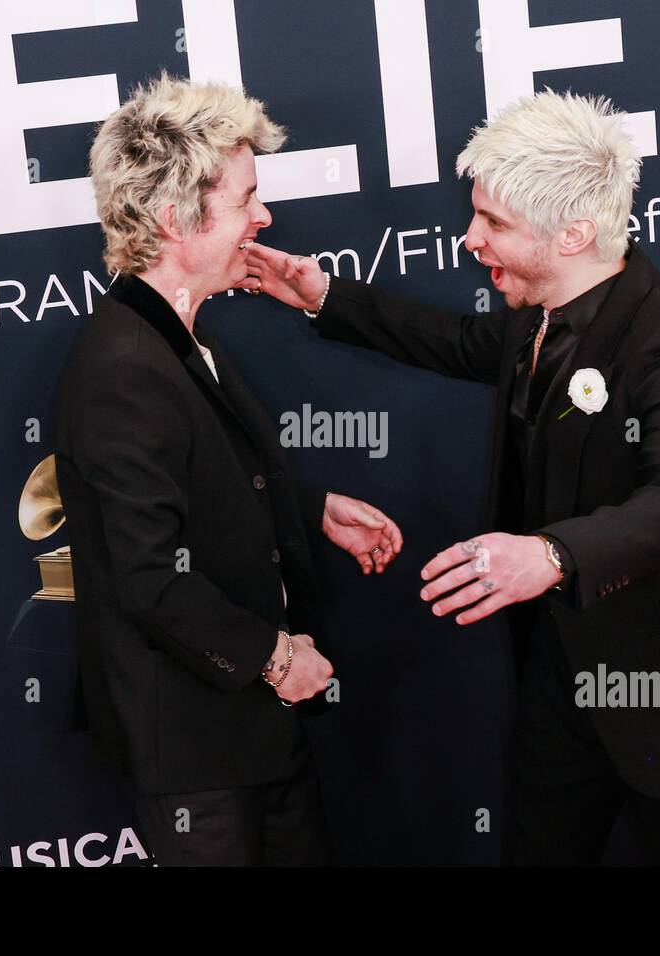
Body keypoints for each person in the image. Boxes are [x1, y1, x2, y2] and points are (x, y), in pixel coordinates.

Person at [242, 89, 660, 865]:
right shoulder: (532, 312)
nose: (469, 239)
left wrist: (551, 556)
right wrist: (322, 295)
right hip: (559, 687)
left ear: (573, 233)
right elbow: (458, 340)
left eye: (494, 224)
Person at [52, 73, 402, 866]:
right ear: (176, 218)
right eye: (247, 199)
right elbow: (152, 580)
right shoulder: (125, 368)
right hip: (195, 752)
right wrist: (279, 659)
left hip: (248, 730)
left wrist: (305, 507)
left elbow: (199, 483)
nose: (265, 217)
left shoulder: (176, 332)